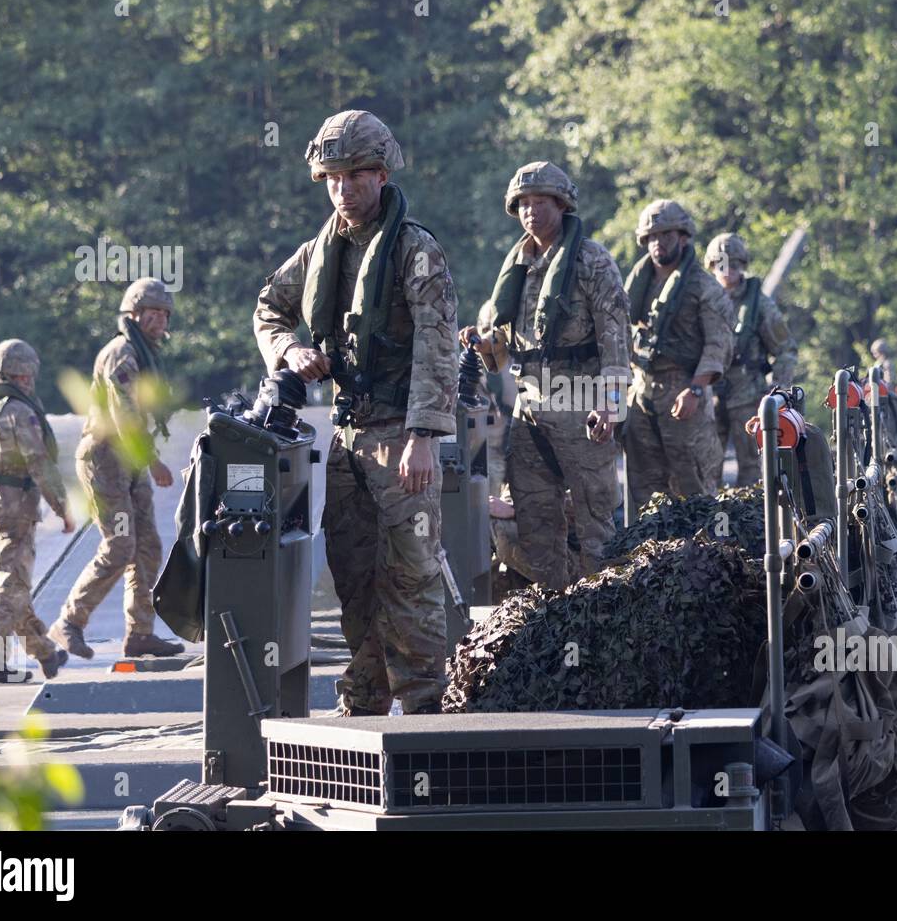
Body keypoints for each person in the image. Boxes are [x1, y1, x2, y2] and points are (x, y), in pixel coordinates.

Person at [253, 109, 458, 716]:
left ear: (380, 175)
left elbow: (437, 345)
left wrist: (423, 435)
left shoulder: (415, 250)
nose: (342, 189)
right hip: (347, 436)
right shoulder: (320, 250)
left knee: (413, 576)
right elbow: (269, 304)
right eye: (332, 179)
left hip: (401, 435)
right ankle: (365, 694)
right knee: (353, 575)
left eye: (354, 177)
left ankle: (424, 706)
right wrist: (291, 351)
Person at [461, 161, 629, 590]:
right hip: (531, 411)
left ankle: (603, 620)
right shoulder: (515, 267)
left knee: (597, 531)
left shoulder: (592, 261)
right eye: (523, 203)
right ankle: (554, 619)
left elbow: (615, 342)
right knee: (534, 526)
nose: (531, 211)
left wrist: (610, 409)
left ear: (562, 204)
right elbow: (500, 353)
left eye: (541, 202)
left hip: (583, 407)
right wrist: (482, 346)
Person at [49, 279, 184, 659]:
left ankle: (140, 633)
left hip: (130, 462)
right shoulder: (122, 353)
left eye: (163, 314)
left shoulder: (146, 354)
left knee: (147, 547)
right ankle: (69, 623)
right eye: (152, 313)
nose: (159, 320)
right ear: (134, 315)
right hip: (106, 461)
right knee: (120, 545)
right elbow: (123, 412)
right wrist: (152, 461)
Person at [0, 340, 73, 682]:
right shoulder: (20, 412)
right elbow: (40, 464)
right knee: (11, 585)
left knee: (10, 583)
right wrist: (62, 507)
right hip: (16, 509)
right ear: (24, 375)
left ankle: (45, 652)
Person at [622, 200, 734, 512]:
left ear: (683, 236)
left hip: (685, 390)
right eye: (652, 237)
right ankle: (650, 551)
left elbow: (718, 344)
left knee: (693, 480)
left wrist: (697, 389)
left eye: (666, 235)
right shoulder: (635, 285)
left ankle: (704, 551)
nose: (658, 243)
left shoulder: (704, 287)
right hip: (642, 391)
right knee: (644, 486)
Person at [704, 232, 796, 486]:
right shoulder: (702, 300)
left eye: (733, 264)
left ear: (742, 265)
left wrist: (778, 393)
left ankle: (752, 520)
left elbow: (786, 350)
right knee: (704, 468)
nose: (727, 271)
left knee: (753, 469)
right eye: (721, 264)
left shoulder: (760, 305)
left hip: (748, 396)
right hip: (708, 394)